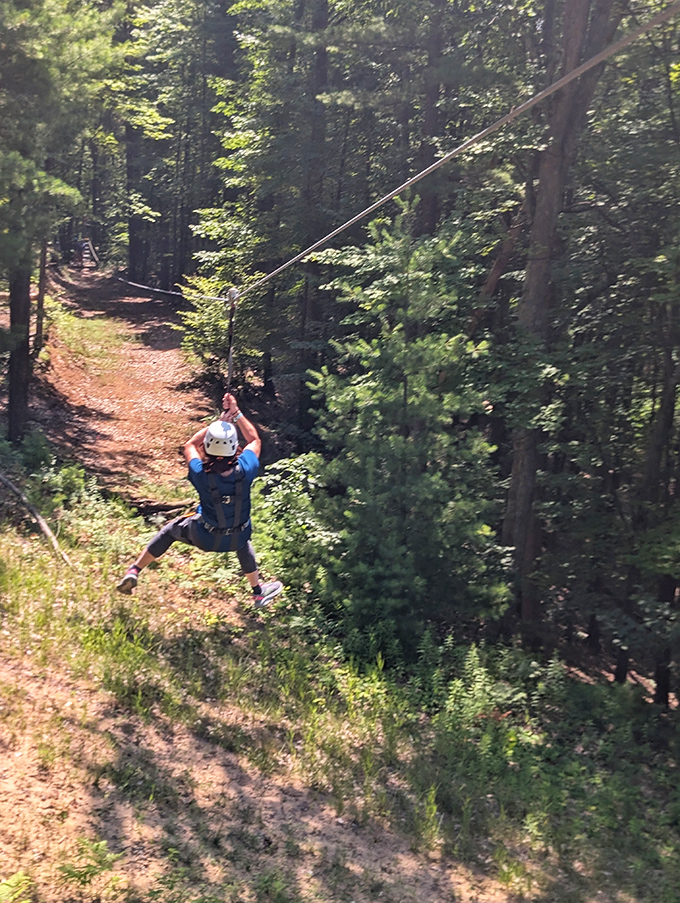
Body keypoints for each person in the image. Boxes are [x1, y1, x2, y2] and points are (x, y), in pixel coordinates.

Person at [116, 393, 283, 608]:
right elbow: (254, 440)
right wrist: (236, 413)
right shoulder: (247, 468)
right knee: (241, 536)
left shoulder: (200, 473)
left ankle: (135, 570)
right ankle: (257, 592)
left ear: (208, 446)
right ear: (233, 447)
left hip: (204, 536)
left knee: (169, 531)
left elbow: (189, 445)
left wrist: (218, 424)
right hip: (236, 537)